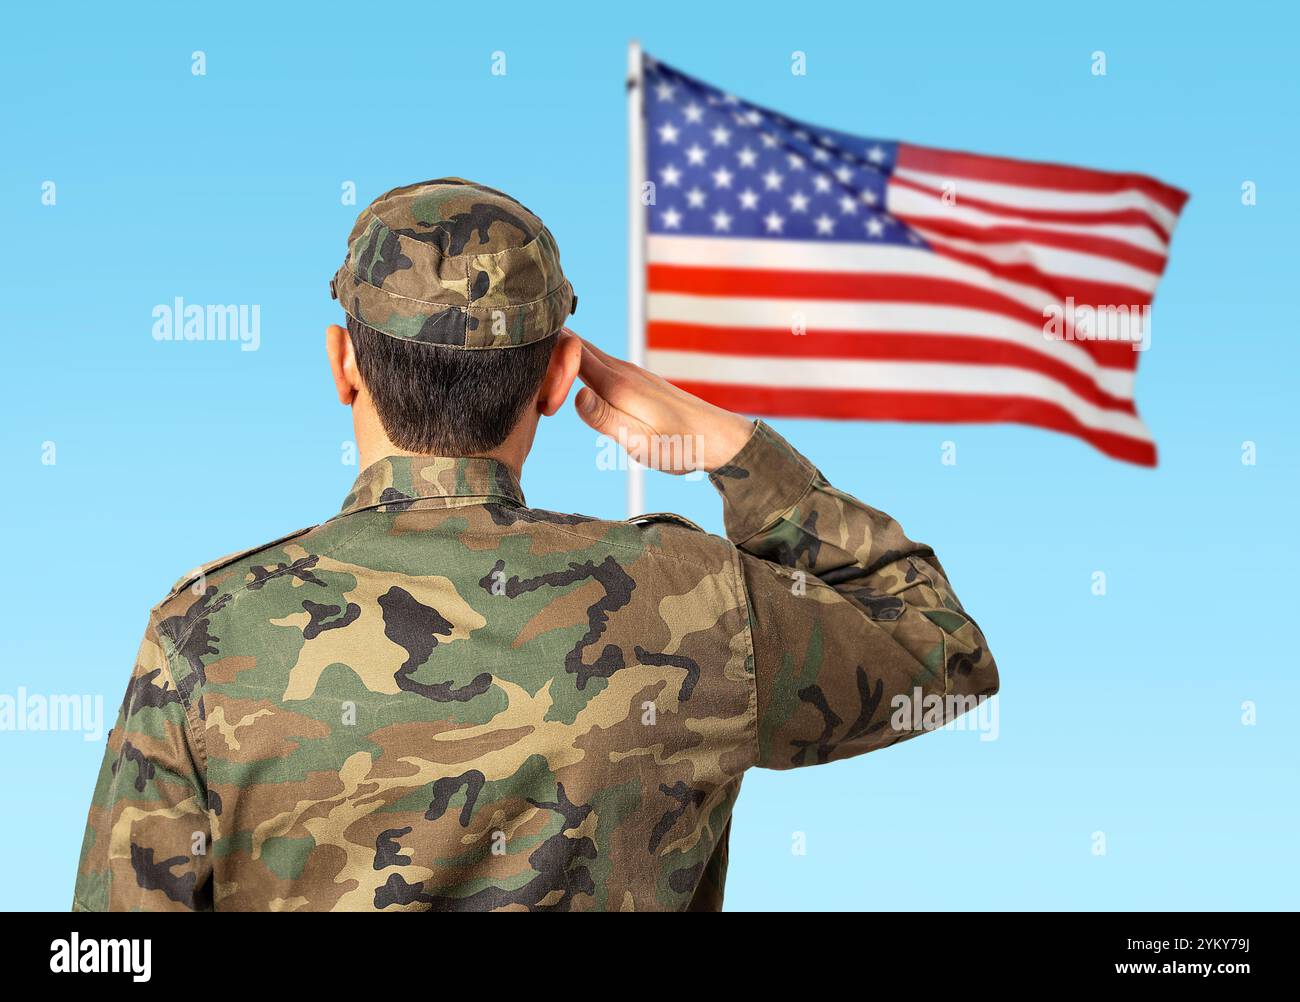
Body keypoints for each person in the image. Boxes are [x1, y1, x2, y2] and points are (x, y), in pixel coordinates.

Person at [73, 178, 998, 912]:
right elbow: (942, 653)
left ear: (341, 362)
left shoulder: (205, 631)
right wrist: (731, 448)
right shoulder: (698, 601)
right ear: (560, 377)